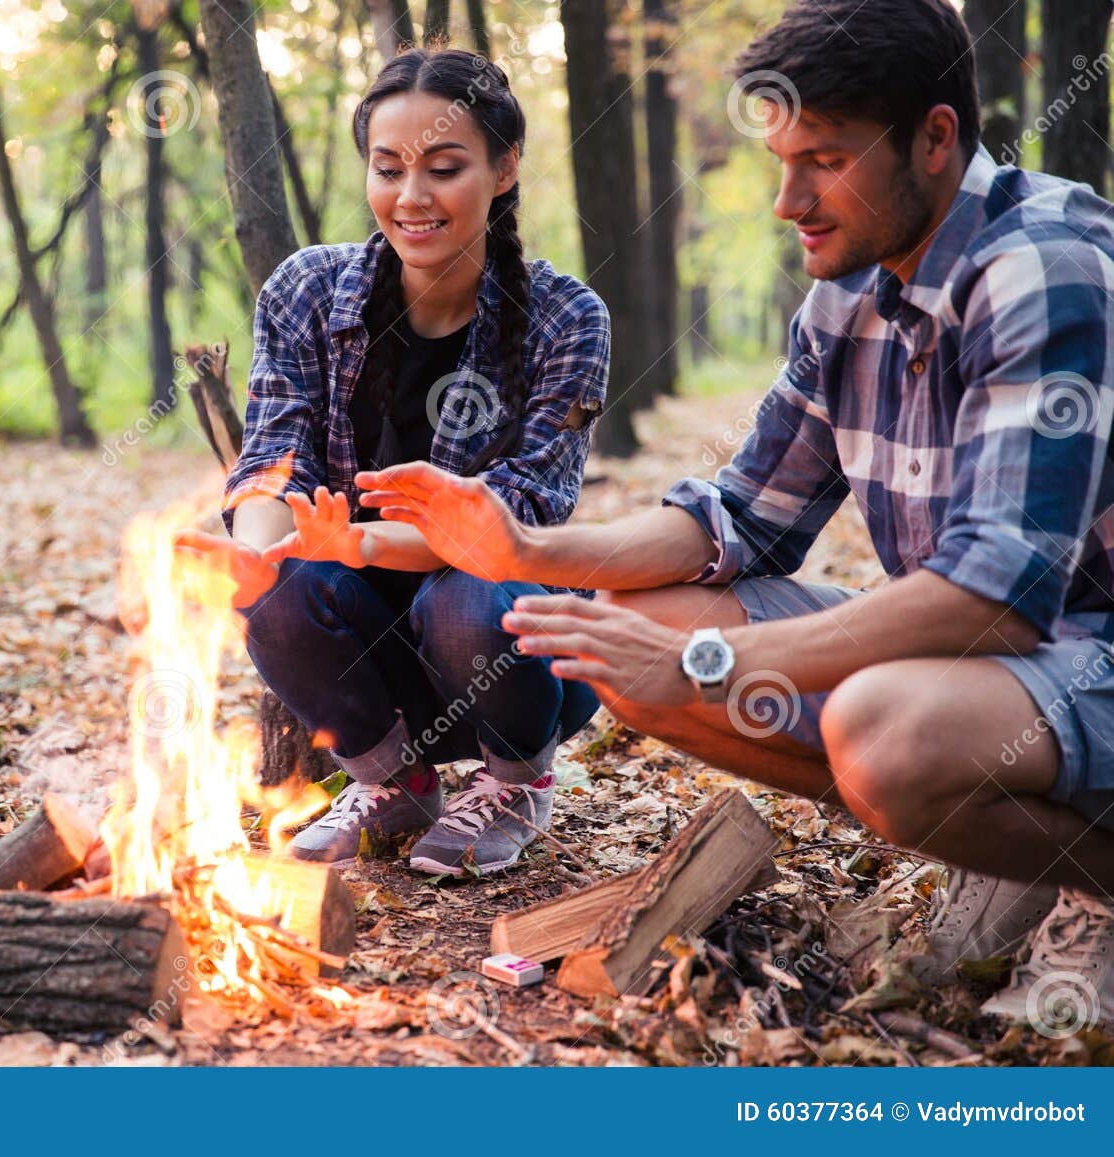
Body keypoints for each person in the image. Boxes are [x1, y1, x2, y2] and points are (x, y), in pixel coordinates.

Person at [358, 0, 1114, 1021]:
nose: (787, 200)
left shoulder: (1040, 268)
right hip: (1004, 673)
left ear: (935, 139)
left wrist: (705, 663)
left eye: (825, 160)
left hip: (1084, 652)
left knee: (878, 731)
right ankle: (1000, 838)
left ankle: (1092, 878)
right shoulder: (851, 291)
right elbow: (739, 518)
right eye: (781, 161)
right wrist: (523, 545)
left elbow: (995, 600)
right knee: (632, 629)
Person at [183, 47, 608, 875]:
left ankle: (515, 781)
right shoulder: (308, 291)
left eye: (444, 169)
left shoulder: (566, 317)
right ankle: (393, 781)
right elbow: (274, 453)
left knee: (464, 598)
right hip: (371, 653)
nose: (411, 197)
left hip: (513, 649)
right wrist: (259, 553)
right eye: (388, 169)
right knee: (275, 590)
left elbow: (518, 518)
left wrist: (363, 542)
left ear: (505, 168)